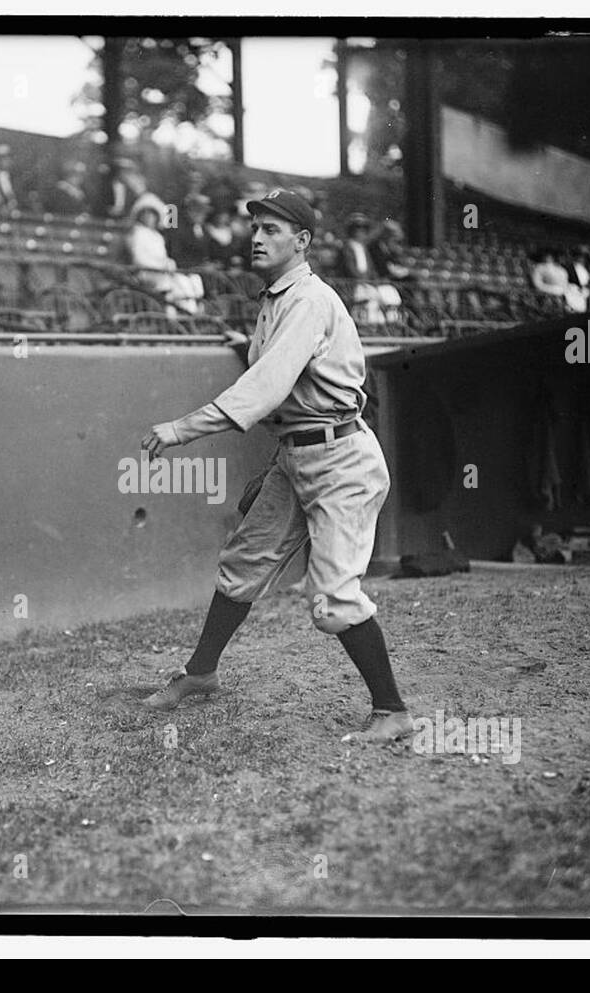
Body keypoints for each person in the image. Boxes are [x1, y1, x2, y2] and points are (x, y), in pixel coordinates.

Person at [138, 188, 413, 743]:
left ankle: (393, 711)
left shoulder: (310, 299)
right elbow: (279, 372)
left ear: (302, 241)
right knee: (243, 563)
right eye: (255, 227)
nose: (257, 237)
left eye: (271, 229)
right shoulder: (276, 300)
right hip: (297, 454)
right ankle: (201, 674)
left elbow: (264, 389)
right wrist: (246, 345)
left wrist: (180, 428)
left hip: (341, 459)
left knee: (332, 598)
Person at [127, 201, 203, 314]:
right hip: (147, 272)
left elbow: (163, 256)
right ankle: (172, 314)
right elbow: (139, 259)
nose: (149, 218)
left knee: (186, 281)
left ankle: (191, 312)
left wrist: (168, 263)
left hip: (162, 271)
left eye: (152, 215)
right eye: (146, 214)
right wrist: (160, 266)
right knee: (172, 284)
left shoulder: (157, 236)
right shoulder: (137, 234)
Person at [337, 212, 403, 326]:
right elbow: (349, 268)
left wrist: (375, 280)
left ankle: (392, 323)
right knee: (370, 299)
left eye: (363, 228)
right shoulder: (347, 247)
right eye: (357, 228)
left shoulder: (364, 247)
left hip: (368, 283)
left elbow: (371, 268)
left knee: (389, 293)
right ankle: (368, 326)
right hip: (353, 284)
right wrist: (363, 280)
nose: (360, 231)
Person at [166, 193, 215, 268]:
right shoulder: (178, 228)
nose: (202, 215)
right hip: (184, 270)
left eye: (203, 212)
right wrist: (198, 266)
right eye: (197, 210)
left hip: (202, 270)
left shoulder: (204, 229)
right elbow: (175, 254)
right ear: (189, 211)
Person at [563, 246, 590, 313]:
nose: (582, 259)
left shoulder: (585, 271)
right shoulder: (568, 268)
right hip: (571, 298)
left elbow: (586, 286)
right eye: (580, 257)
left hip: (582, 301)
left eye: (583, 257)